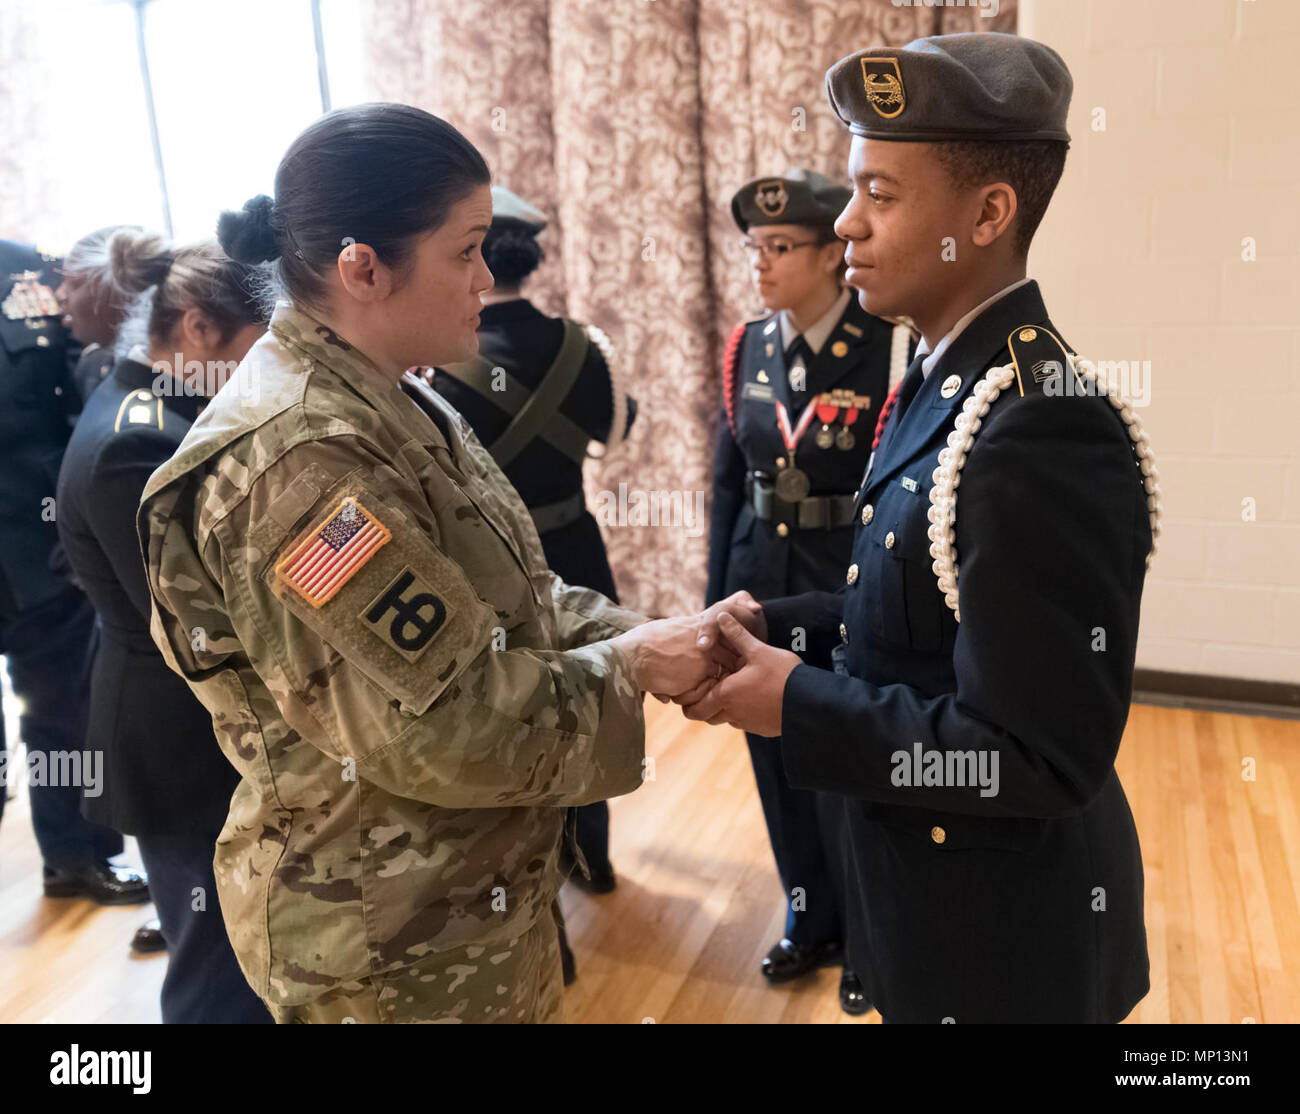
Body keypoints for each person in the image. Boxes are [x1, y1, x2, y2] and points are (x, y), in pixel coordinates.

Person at [138, 103, 755, 1023]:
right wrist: (631, 667)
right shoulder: (303, 458)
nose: (486, 277)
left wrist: (653, 633)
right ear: (364, 267)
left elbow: (512, 603)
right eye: (466, 251)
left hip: (456, 902)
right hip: (387, 941)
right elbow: (445, 725)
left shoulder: (393, 397)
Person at [684, 32, 1158, 1023]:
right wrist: (781, 628)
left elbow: (1033, 755)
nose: (845, 224)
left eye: (880, 195)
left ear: (987, 213)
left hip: (1003, 939)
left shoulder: (1037, 422)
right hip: (927, 896)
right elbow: (916, 621)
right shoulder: (943, 373)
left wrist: (799, 702)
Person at [56, 230, 273, 1022]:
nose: (263, 366)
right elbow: (194, 618)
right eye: (256, 346)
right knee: (217, 965)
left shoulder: (160, 409)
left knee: (244, 946)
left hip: (191, 720)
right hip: (175, 737)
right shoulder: (136, 442)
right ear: (197, 329)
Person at [708, 169, 911, 1015]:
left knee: (844, 767)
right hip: (762, 579)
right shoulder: (747, 344)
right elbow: (728, 481)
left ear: (835, 254)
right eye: (755, 248)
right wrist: (716, 592)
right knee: (777, 763)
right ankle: (808, 919)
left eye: (782, 248)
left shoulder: (890, 346)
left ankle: (867, 940)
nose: (761, 264)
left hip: (840, 586)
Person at [425, 185, 636, 982]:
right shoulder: (584, 345)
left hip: (489, 567)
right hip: (575, 548)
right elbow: (615, 431)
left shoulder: (441, 356)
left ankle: (541, 902)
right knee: (589, 699)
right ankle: (598, 858)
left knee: (514, 719)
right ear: (534, 254)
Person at [0, 238, 150, 914]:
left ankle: (76, 855)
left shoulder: (22, 264)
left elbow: (80, 376)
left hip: (32, 541)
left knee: (61, 708)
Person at [56, 226, 137, 405]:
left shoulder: (172, 370)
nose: (61, 295)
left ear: (111, 287)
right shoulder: (93, 368)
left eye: (73, 283)